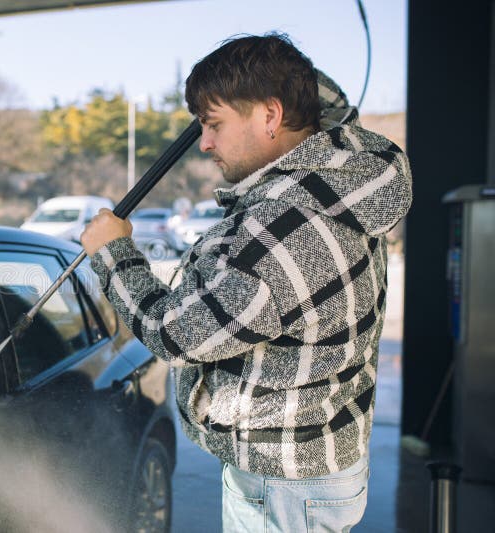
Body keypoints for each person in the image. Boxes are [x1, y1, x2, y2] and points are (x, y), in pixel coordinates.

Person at [80, 33, 412, 532]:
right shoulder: (344, 174)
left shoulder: (281, 231)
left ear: (271, 116)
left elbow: (175, 333)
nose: (205, 143)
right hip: (323, 459)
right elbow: (332, 106)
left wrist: (113, 252)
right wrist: (263, 68)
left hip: (283, 484)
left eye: (213, 125)